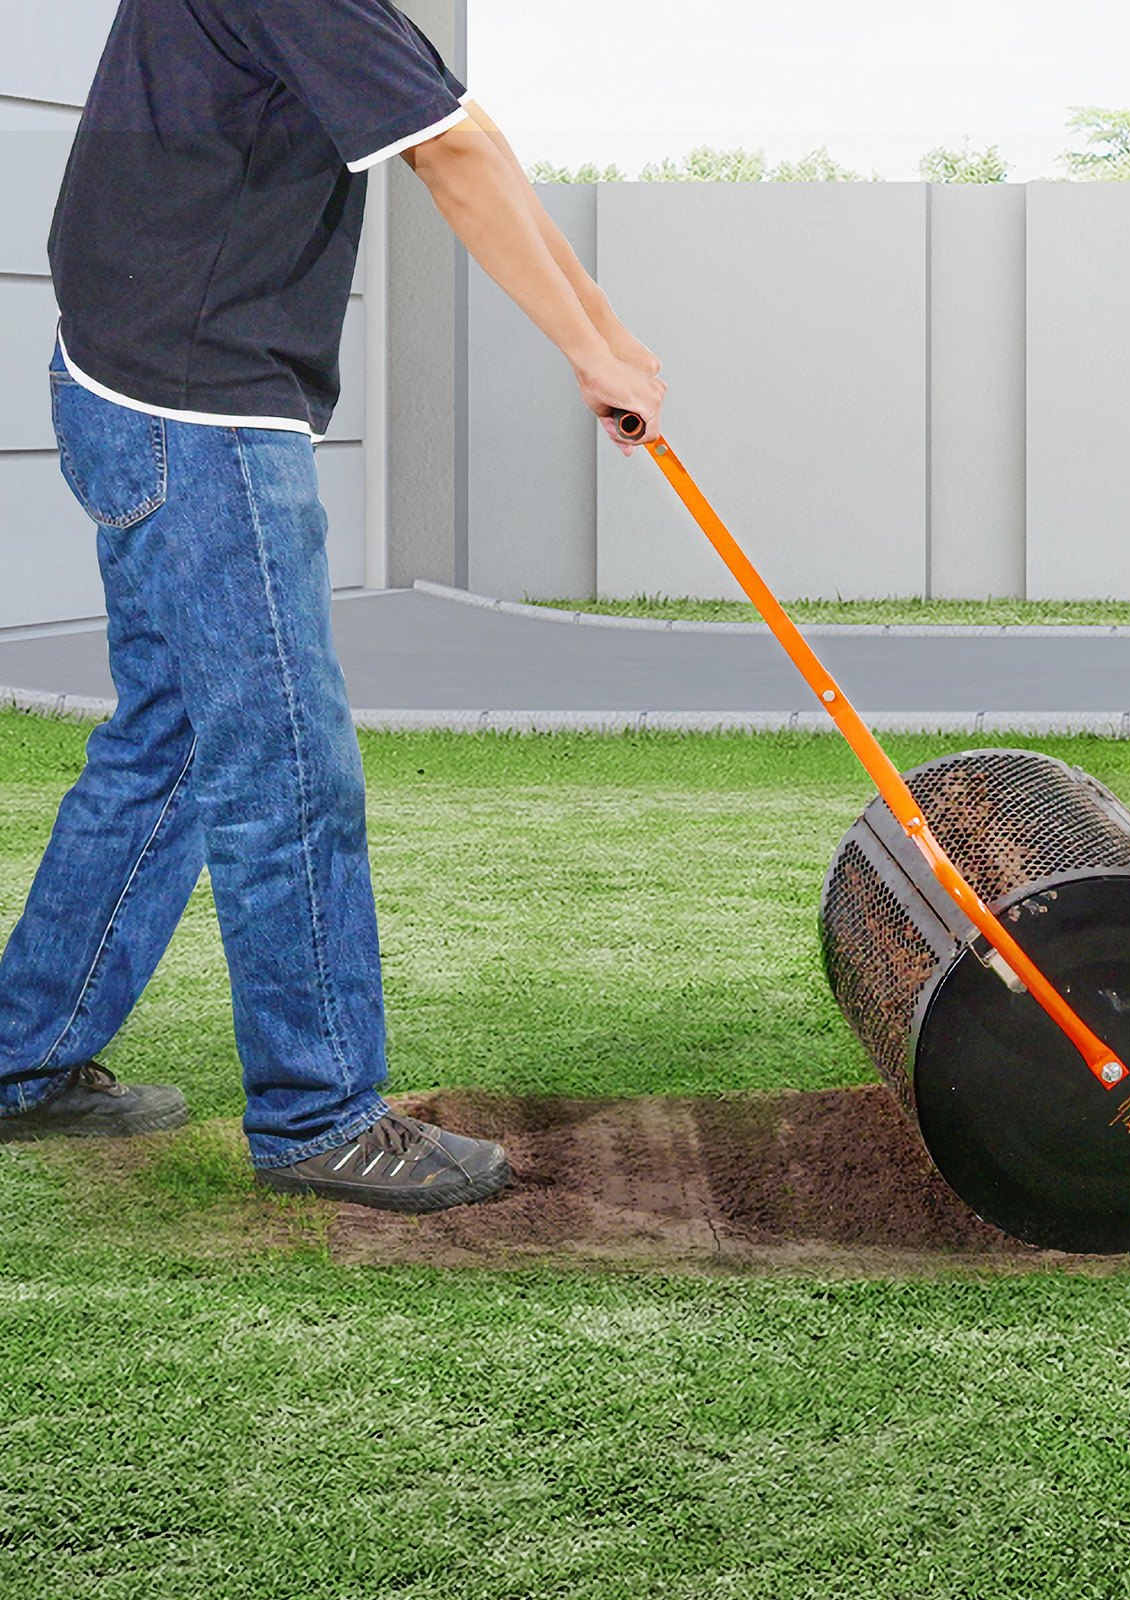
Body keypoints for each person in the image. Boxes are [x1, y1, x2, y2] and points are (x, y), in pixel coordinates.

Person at [0, 0, 666, 1213]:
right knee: (285, 765)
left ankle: (20, 1059)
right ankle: (320, 1116)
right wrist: (586, 349)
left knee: (166, 747)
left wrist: (607, 337)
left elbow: (465, 129)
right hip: (197, 411)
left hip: (133, 382)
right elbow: (449, 155)